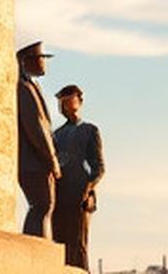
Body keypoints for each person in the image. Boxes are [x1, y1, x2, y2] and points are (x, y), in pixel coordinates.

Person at [50, 84, 105, 269]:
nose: (65, 104)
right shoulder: (56, 135)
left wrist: (88, 190)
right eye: (61, 101)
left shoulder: (90, 130)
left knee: (78, 244)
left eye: (69, 98)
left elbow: (99, 167)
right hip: (59, 195)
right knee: (60, 245)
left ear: (79, 101)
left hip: (80, 195)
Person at [16, 41, 58, 239]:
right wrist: (51, 159)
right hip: (34, 162)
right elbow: (36, 128)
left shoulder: (31, 86)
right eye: (42, 58)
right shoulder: (24, 88)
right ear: (27, 62)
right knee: (41, 205)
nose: (44, 63)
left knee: (44, 206)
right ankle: (36, 247)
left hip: (37, 161)